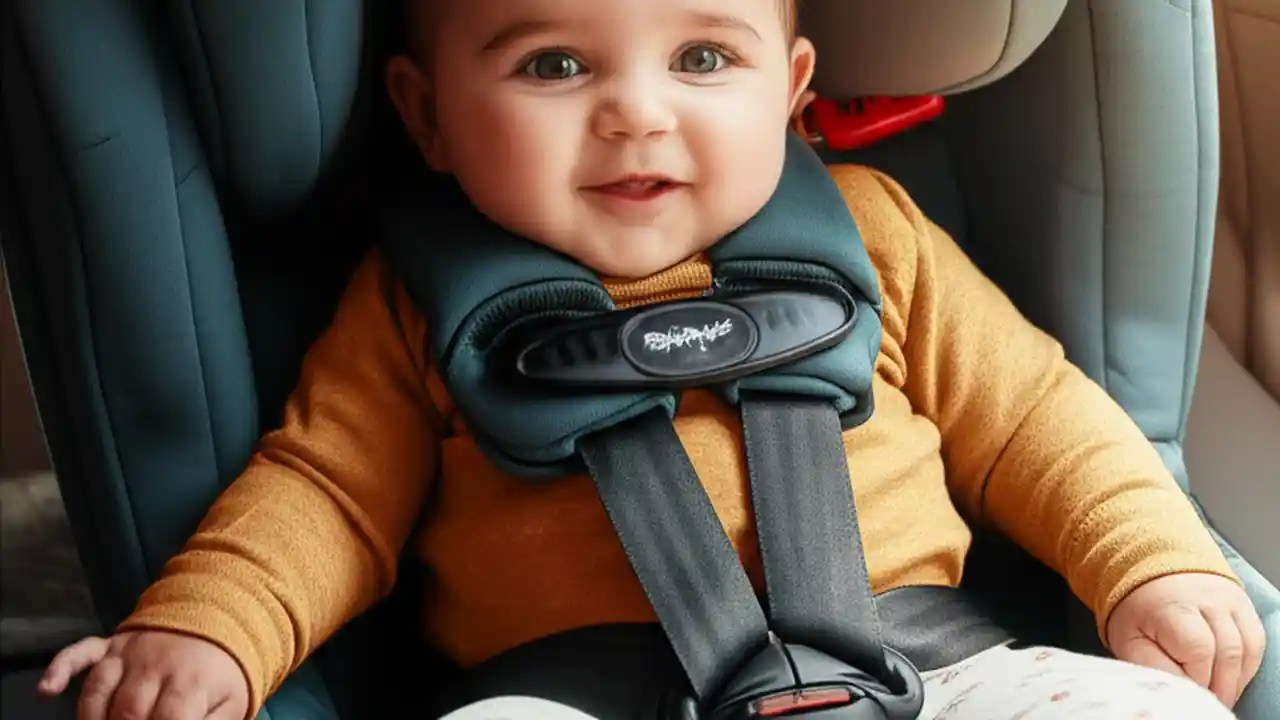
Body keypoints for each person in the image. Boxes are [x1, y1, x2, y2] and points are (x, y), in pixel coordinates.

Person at [38, 0, 1266, 718]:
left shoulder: (875, 236)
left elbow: (1039, 419)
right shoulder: (413, 303)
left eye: (702, 58)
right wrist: (206, 632)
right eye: (552, 64)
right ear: (425, 113)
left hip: (929, 671)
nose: (636, 110)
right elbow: (323, 496)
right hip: (579, 694)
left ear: (791, 91)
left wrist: (1148, 562)